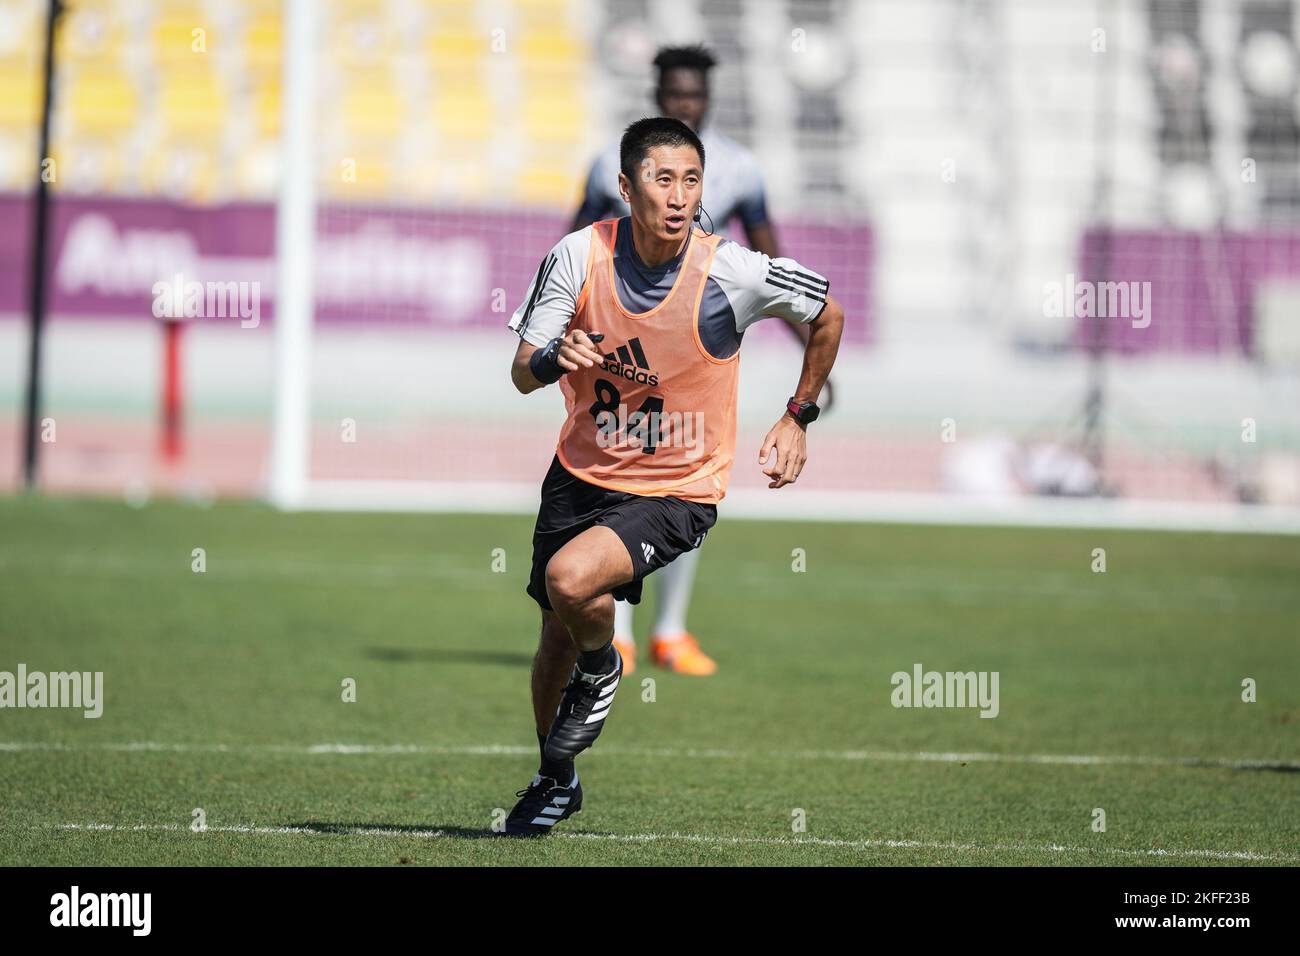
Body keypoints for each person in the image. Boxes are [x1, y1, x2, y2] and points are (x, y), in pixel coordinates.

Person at [500, 116, 843, 835]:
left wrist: (797, 416)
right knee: (553, 635)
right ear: (626, 188)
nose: (680, 195)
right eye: (663, 178)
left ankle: (604, 666)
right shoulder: (577, 256)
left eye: (692, 179)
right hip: (579, 471)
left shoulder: (733, 270)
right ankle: (555, 777)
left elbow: (828, 312)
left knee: (571, 581)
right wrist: (554, 360)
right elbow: (521, 372)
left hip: (676, 487)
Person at [570, 43, 835, 676]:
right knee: (616, 484)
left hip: (695, 353)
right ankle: (621, 636)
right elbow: (573, 247)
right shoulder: (613, 164)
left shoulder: (738, 167)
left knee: (683, 486)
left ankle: (670, 631)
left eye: (695, 95)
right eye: (675, 94)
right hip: (622, 352)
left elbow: (772, 258)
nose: (685, 103)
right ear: (658, 95)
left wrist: (814, 376)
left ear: (707, 98)